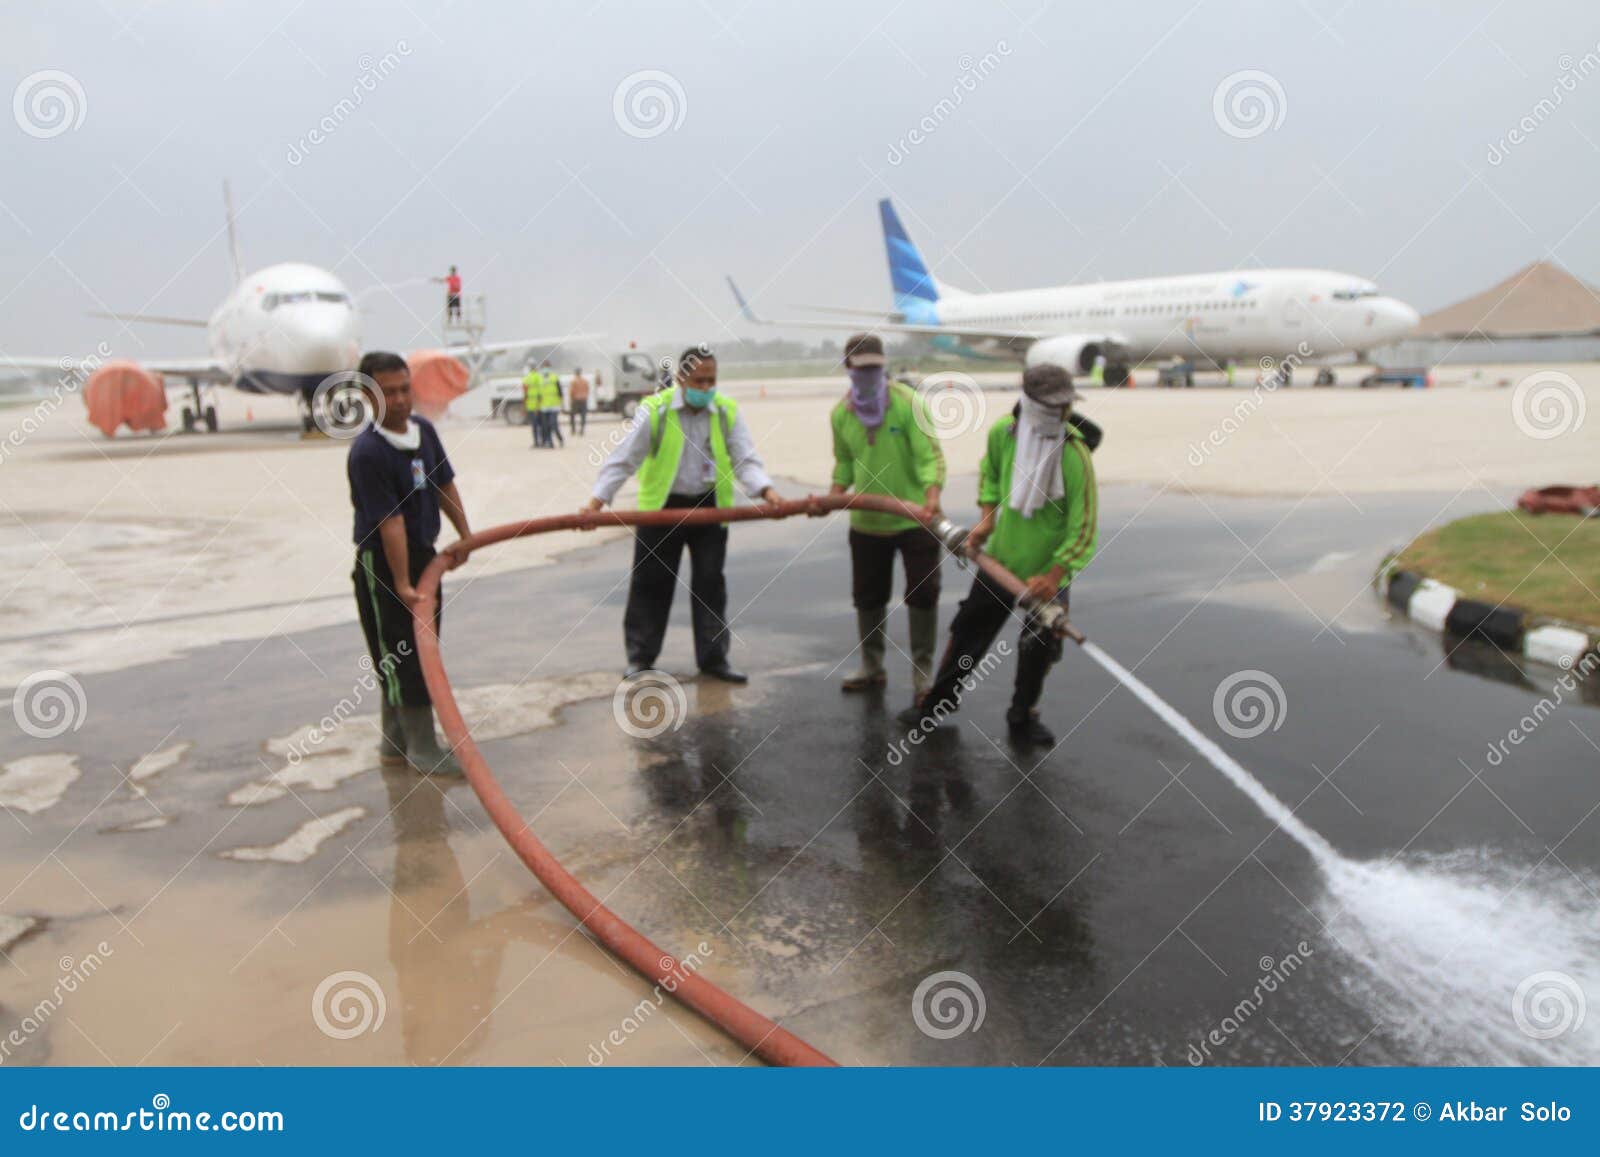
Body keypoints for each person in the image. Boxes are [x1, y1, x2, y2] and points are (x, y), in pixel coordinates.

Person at [906, 364, 1097, 747]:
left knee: (1038, 650)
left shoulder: (1073, 454)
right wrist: (986, 521)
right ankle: (936, 704)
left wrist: (1055, 574)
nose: (1058, 415)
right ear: (1028, 403)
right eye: (1050, 407)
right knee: (968, 635)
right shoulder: (1002, 436)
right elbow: (991, 476)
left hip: (1046, 573)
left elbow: (1084, 526)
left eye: (1064, 408)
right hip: (1001, 561)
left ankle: (1022, 715)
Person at [582, 345, 782, 682]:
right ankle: (641, 659)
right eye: (699, 381)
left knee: (710, 584)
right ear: (681, 379)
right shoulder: (655, 410)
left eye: (712, 381)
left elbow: (745, 458)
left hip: (709, 508)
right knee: (650, 585)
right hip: (662, 510)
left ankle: (714, 659)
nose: (706, 388)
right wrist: (596, 502)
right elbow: (623, 459)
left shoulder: (725, 410)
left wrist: (767, 491)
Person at [347, 351, 473, 774]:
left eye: (405, 389)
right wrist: (402, 581)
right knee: (402, 655)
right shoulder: (369, 452)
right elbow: (390, 524)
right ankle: (422, 748)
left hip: (422, 556)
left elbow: (444, 484)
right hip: (383, 565)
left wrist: (465, 534)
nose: (400, 400)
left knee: (419, 650)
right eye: (389, 392)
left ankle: (394, 742)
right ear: (367, 394)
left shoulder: (422, 432)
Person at [827, 333, 946, 699]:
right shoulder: (841, 414)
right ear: (848, 368)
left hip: (915, 520)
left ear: (884, 365)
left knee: (924, 594)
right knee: (868, 596)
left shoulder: (907, 404)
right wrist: (833, 495)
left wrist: (931, 495)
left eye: (875, 368)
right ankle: (872, 666)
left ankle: (923, 672)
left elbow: (930, 456)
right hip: (867, 523)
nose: (869, 374)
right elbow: (844, 462)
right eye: (862, 369)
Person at [540, 362, 565, 448]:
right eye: (544, 367)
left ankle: (560, 439)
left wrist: (562, 404)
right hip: (544, 406)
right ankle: (550, 443)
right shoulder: (540, 379)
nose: (545, 369)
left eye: (546, 367)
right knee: (546, 426)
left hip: (554, 406)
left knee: (553, 424)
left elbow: (560, 392)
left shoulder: (554, 377)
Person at [522, 362, 543, 447]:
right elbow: (541, 392)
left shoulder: (527, 378)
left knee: (534, 426)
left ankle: (536, 442)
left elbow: (525, 393)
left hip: (530, 406)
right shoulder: (540, 377)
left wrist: (524, 407)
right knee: (541, 425)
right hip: (540, 405)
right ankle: (543, 441)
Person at [568, 366, 590, 435]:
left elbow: (571, 391)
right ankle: (582, 430)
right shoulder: (585, 381)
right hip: (583, 400)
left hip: (575, 400)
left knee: (572, 415)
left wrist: (571, 400)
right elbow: (587, 390)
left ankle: (573, 429)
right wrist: (585, 396)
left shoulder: (573, 381)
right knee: (583, 416)